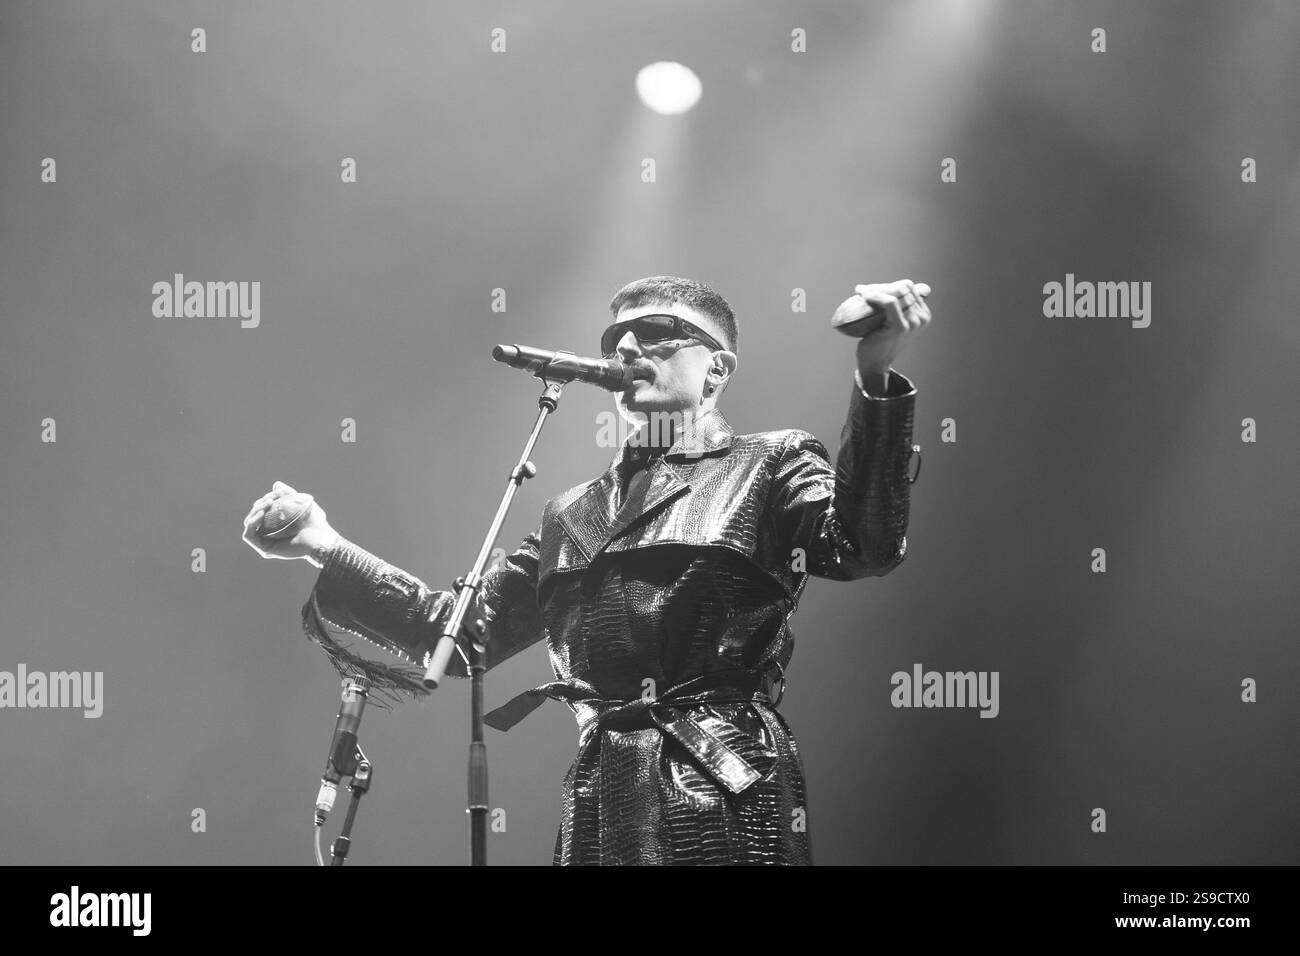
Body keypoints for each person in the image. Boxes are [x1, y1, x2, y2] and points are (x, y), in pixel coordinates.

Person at [242, 275, 930, 864]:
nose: (626, 348)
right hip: (601, 790)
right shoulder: (571, 512)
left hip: (719, 774)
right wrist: (321, 540)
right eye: (615, 341)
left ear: (716, 370)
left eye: (658, 332)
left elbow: (862, 543)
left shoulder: (767, 462)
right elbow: (451, 635)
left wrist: (874, 376)